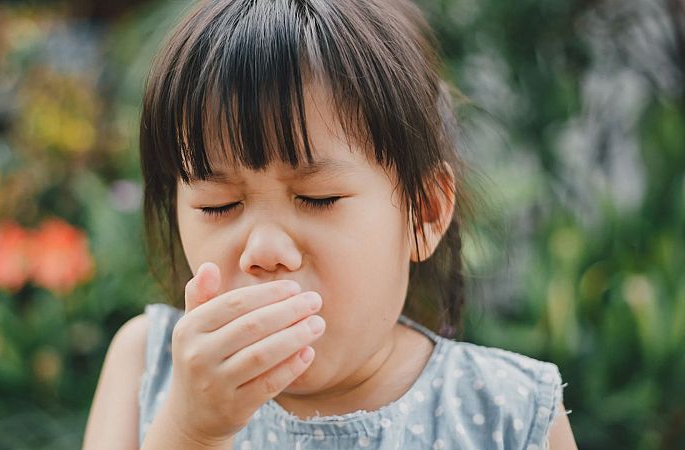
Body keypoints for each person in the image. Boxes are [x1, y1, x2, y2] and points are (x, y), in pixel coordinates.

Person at [82, 0, 579, 449]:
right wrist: (191, 431)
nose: (264, 247)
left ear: (423, 213)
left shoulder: (506, 413)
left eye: (317, 198)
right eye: (218, 205)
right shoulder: (145, 362)